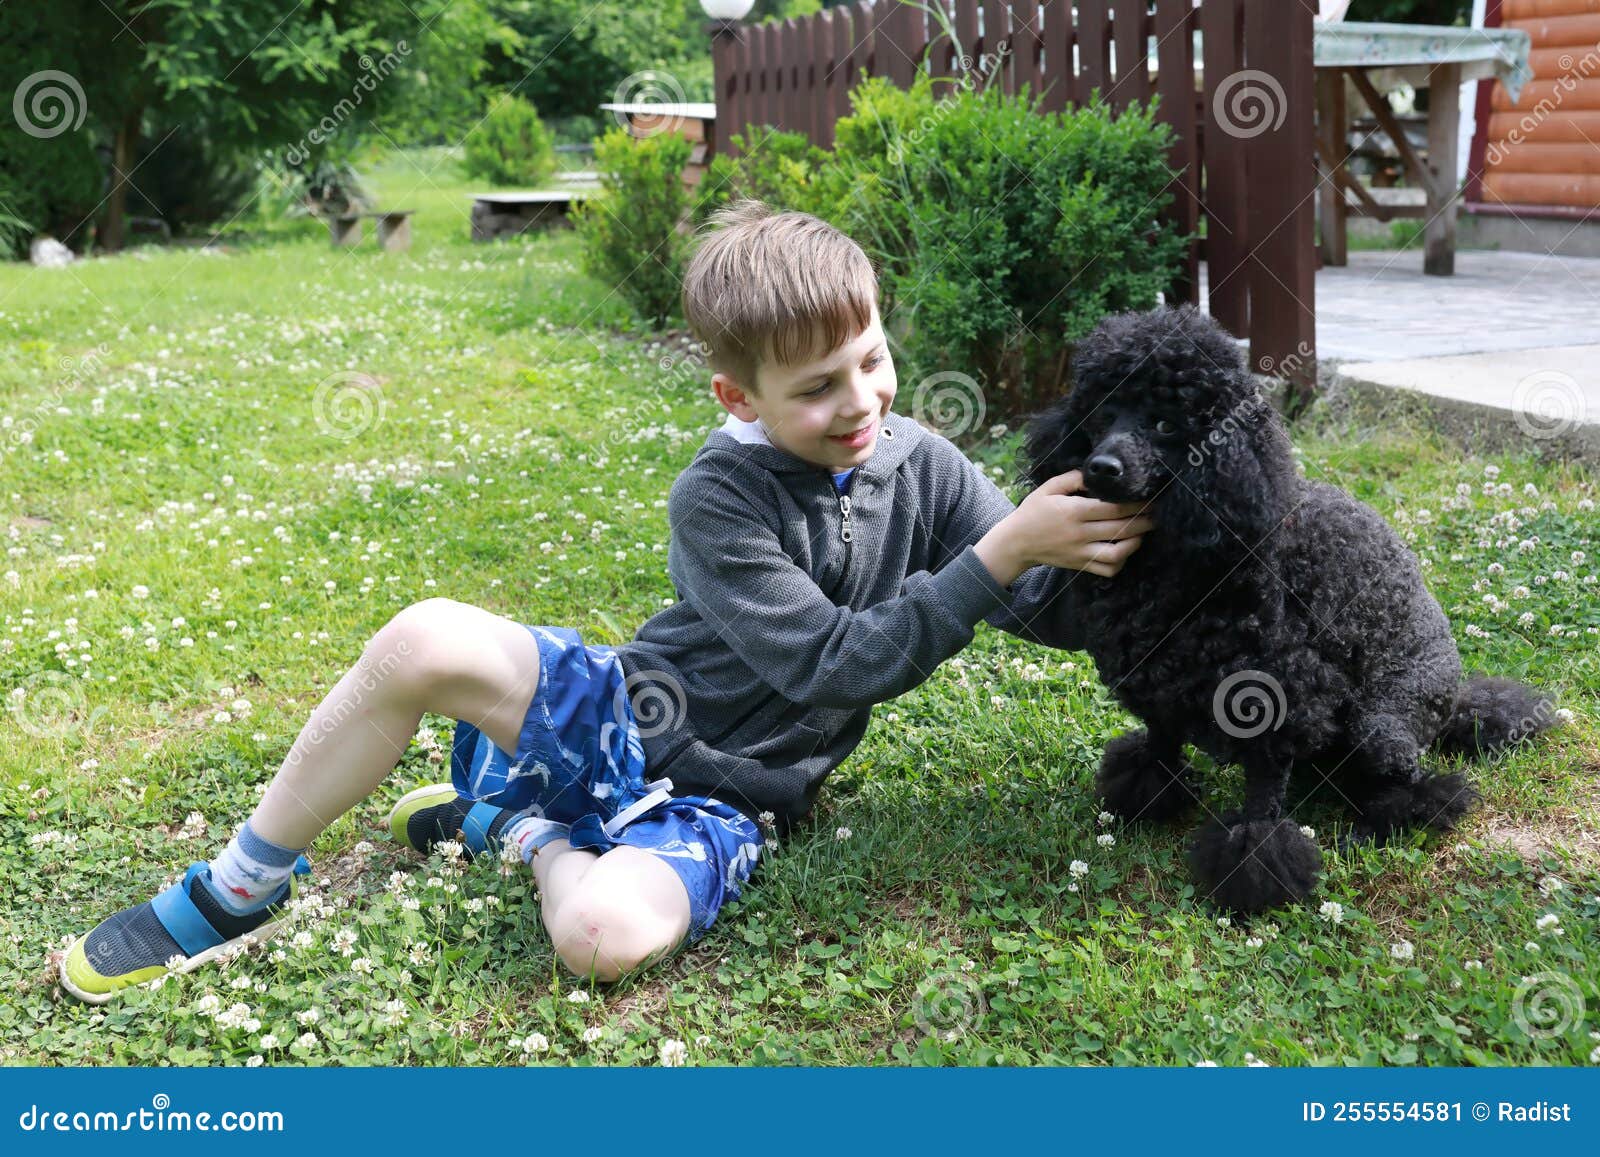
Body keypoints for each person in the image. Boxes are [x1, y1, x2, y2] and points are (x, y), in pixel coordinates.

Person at [60, 200, 1152, 1004]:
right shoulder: (716, 495)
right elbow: (833, 664)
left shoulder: (925, 463)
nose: (860, 398)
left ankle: (524, 824)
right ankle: (241, 883)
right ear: (738, 396)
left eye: (870, 359)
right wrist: (1002, 549)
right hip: (625, 712)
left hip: (730, 797)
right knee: (420, 635)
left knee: (599, 936)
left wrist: (1134, 551)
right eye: (815, 385)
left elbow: (1036, 603)